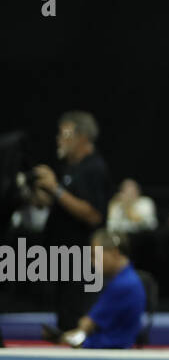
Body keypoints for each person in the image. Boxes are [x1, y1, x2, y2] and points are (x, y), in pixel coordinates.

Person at [31, 111, 111, 332]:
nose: (59, 139)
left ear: (82, 138)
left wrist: (55, 189)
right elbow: (64, 205)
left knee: (76, 319)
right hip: (65, 259)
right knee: (66, 319)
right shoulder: (70, 168)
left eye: (65, 134)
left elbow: (93, 214)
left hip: (82, 259)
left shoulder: (93, 168)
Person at [51, 230, 146, 349]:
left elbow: (86, 326)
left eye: (95, 255)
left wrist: (61, 338)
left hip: (104, 352)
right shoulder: (128, 280)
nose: (93, 262)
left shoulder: (122, 285)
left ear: (114, 253)